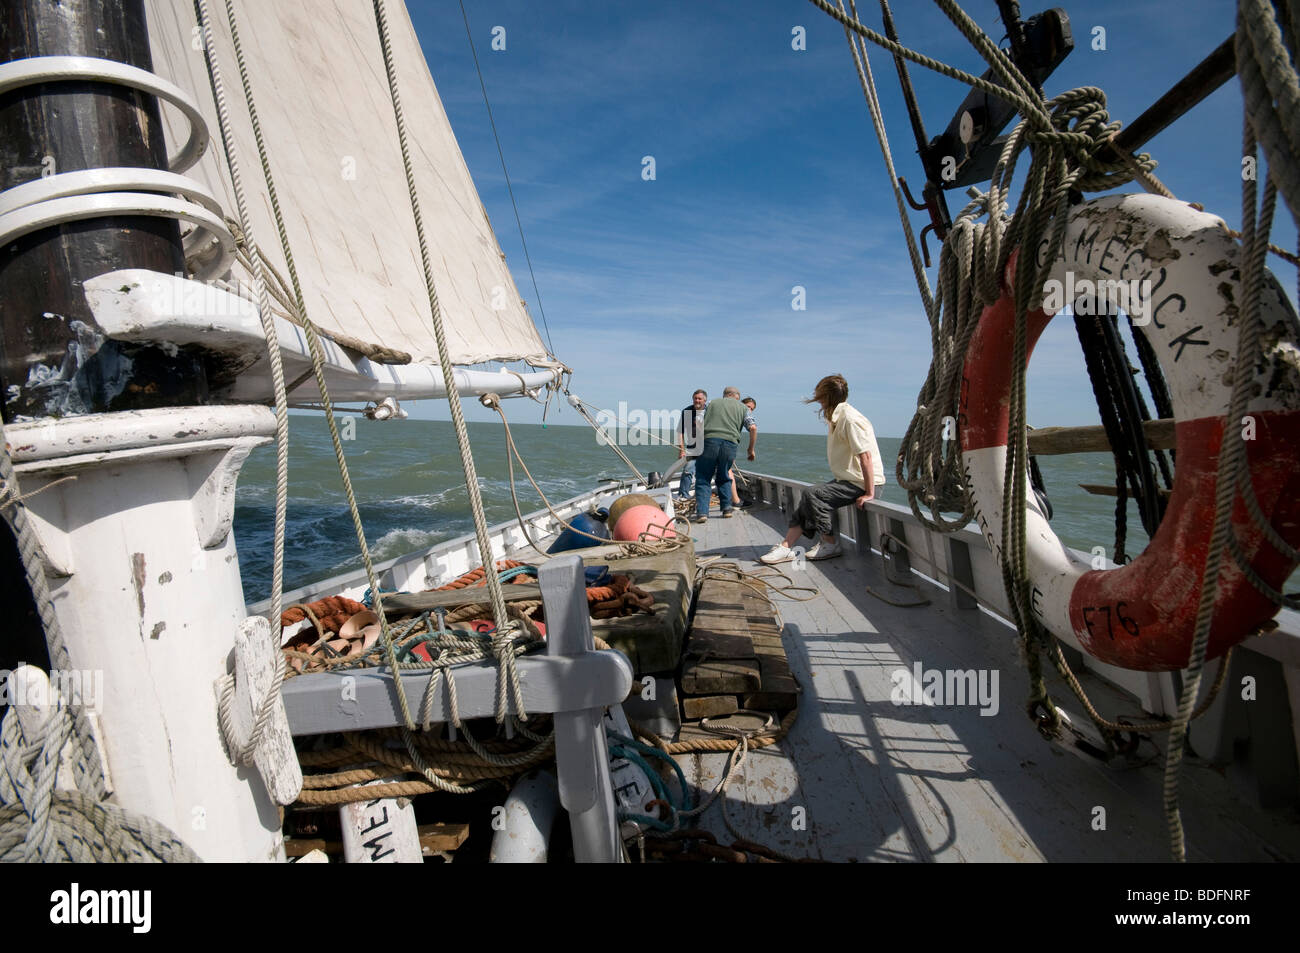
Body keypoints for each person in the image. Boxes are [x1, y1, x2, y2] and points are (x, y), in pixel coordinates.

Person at [760, 375, 884, 562]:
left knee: (814, 494)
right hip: (849, 480)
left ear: (825, 396)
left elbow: (865, 457)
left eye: (819, 395)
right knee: (807, 501)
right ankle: (786, 546)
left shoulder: (850, 419)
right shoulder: (837, 417)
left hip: (862, 483)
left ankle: (830, 543)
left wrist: (869, 493)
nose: (817, 399)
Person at [693, 386, 745, 522]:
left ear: (725, 395)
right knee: (724, 476)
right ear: (735, 396)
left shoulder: (711, 403)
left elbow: (698, 421)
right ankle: (727, 509)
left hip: (710, 441)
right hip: (730, 444)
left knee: (703, 477)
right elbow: (752, 427)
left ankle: (703, 513)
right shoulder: (743, 408)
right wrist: (751, 449)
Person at [676, 389, 707, 498]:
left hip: (709, 446)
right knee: (688, 469)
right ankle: (683, 495)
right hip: (692, 447)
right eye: (695, 398)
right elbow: (680, 432)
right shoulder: (686, 412)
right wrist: (681, 450)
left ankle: (705, 494)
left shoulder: (711, 411)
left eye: (699, 399)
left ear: (705, 400)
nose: (697, 400)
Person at [729, 397, 758, 507]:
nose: (749, 410)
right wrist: (750, 450)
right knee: (727, 470)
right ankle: (735, 501)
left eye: (751, 409)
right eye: (748, 406)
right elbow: (753, 428)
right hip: (726, 443)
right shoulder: (743, 411)